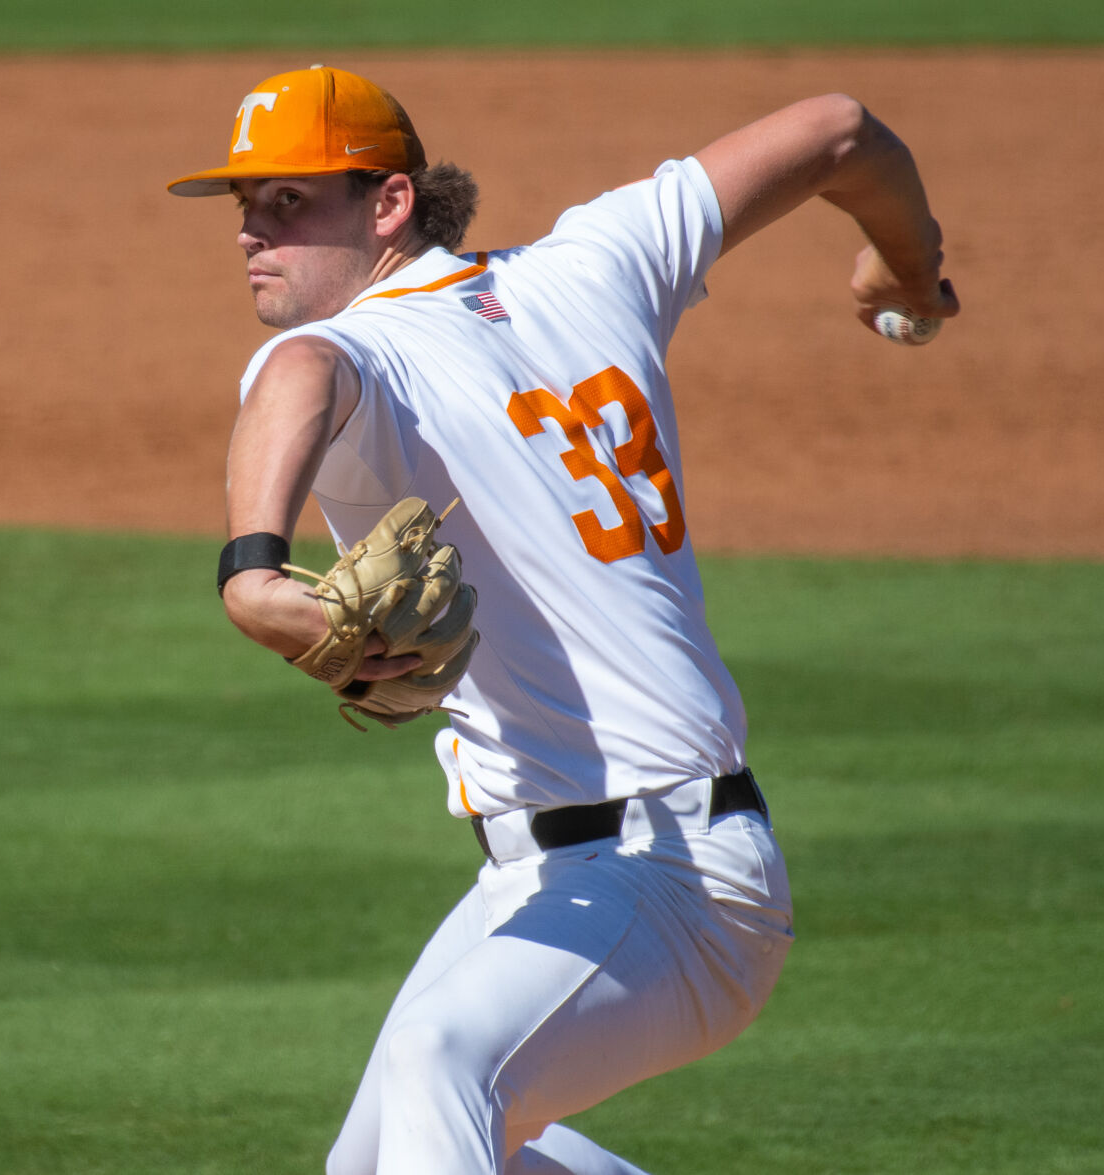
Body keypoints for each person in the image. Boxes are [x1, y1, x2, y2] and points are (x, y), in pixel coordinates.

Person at [168, 64, 958, 1175]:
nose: (253, 229)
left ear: (389, 203)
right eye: (245, 204)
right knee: (376, 1156)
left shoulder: (360, 349)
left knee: (445, 1062)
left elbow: (298, 370)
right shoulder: (597, 260)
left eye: (289, 200)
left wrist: (251, 570)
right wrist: (908, 270)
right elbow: (837, 131)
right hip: (553, 875)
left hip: (673, 868)